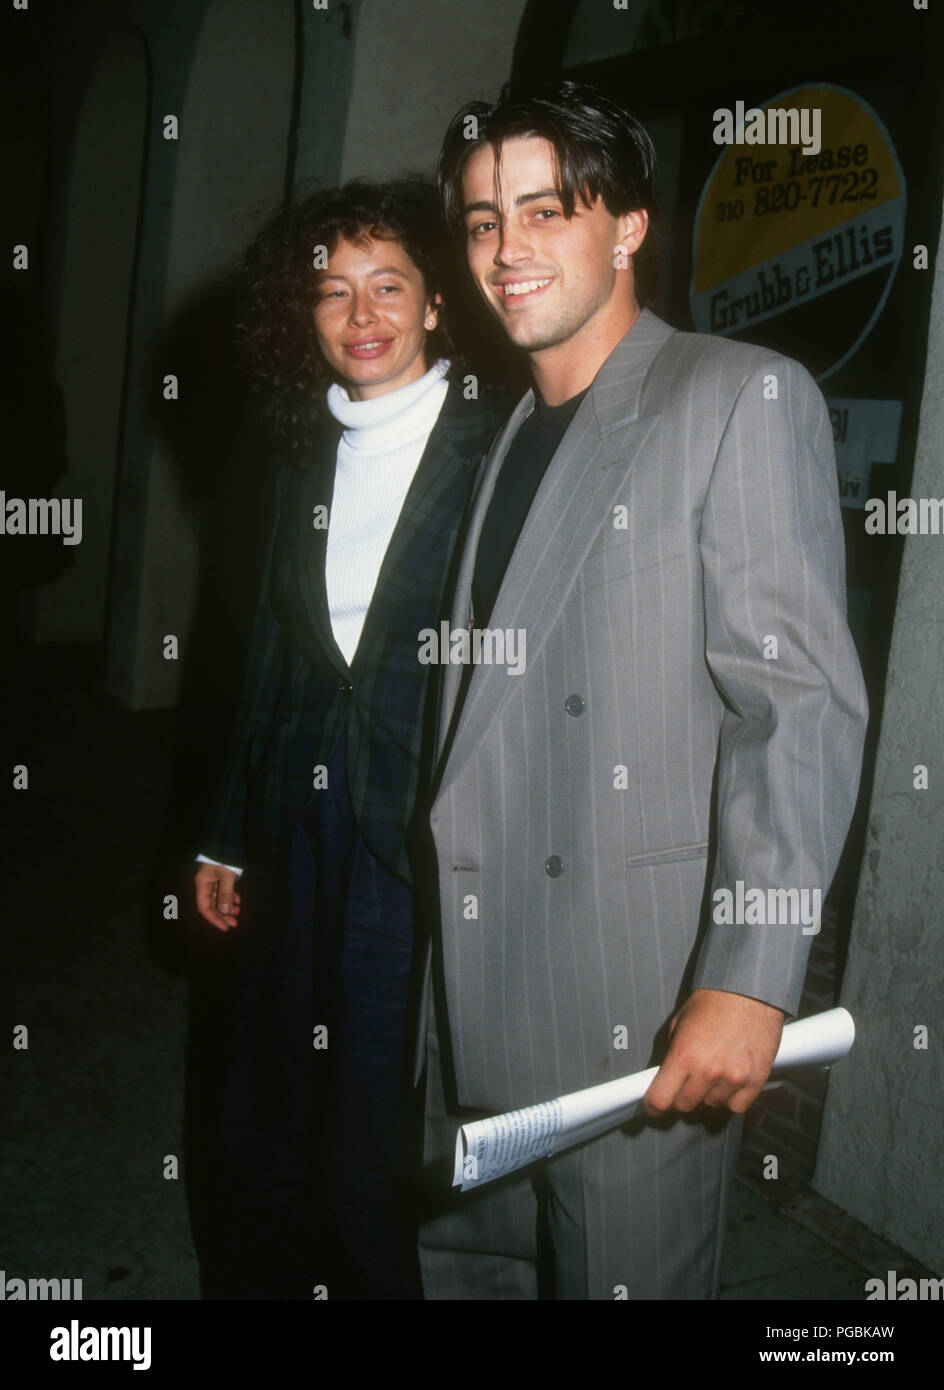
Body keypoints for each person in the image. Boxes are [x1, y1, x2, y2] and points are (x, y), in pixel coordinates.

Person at [414, 81, 869, 1299]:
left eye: (543, 211)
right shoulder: (510, 426)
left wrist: (747, 972)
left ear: (625, 227)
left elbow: (796, 705)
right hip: (468, 991)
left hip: (630, 1002)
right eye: (477, 221)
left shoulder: (736, 395)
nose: (504, 251)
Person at [192, 179, 506, 1299]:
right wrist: (225, 835)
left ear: (433, 305)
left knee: (370, 1133)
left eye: (388, 286)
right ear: (303, 314)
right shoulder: (299, 455)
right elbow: (276, 659)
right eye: (332, 292)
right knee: (266, 1102)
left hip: (408, 829)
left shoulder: (490, 450)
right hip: (294, 822)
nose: (361, 314)